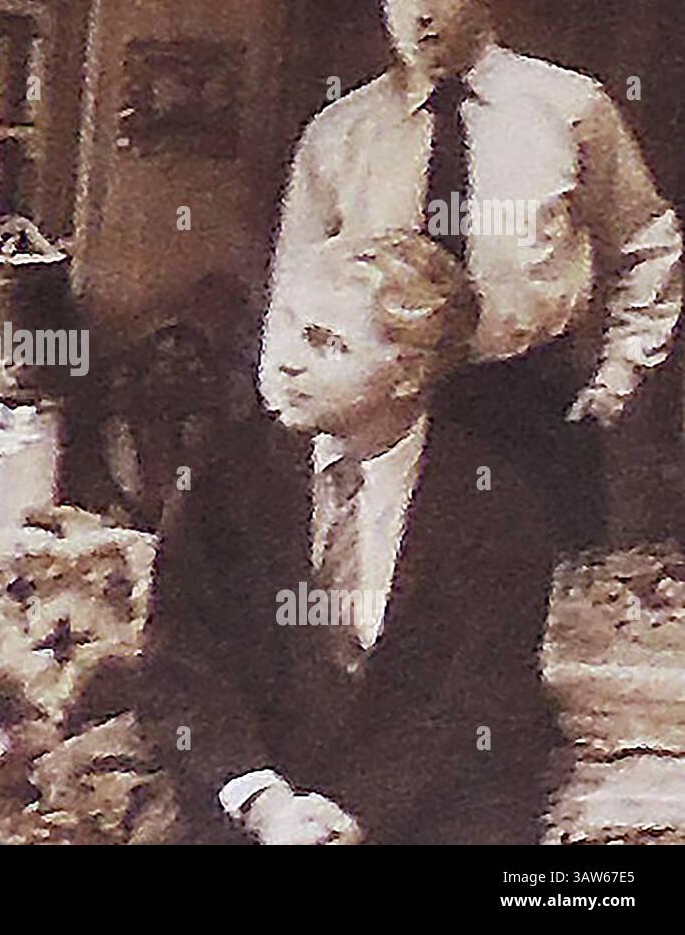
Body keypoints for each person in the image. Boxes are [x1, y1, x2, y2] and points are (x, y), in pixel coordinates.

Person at [261, 0, 681, 553]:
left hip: (528, 405)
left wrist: (615, 379)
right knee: (389, 610)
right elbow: (294, 288)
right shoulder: (339, 135)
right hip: (381, 412)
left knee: (537, 613)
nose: (417, 14)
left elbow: (649, 242)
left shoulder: (571, 110)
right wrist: (294, 411)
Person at [141, 230, 562, 844]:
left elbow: (479, 702)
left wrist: (357, 812)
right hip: (262, 793)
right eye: (283, 326)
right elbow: (182, 667)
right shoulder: (222, 479)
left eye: (324, 343)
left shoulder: (495, 506)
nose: (285, 358)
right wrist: (264, 801)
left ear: (407, 375)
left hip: (428, 800)